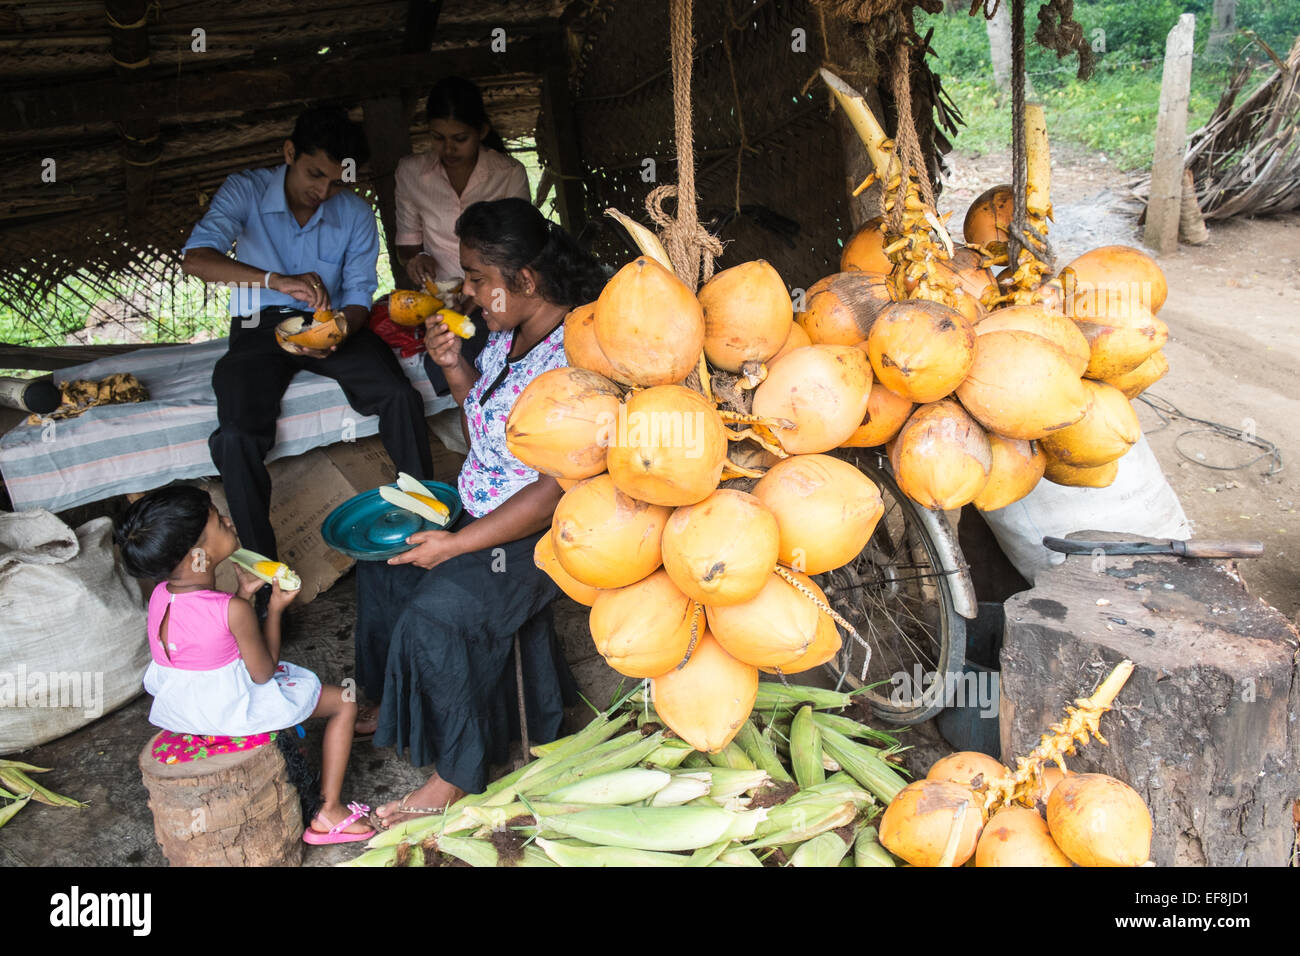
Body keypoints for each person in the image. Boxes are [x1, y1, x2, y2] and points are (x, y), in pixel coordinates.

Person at [354, 198, 605, 825]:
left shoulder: (575, 356)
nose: (464, 292)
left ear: (524, 280)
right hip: (478, 505)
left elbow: (555, 486)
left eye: (476, 279)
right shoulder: (505, 335)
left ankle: (456, 774)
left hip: (535, 531)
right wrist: (455, 368)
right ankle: (394, 703)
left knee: (438, 614)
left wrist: (458, 547)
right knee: (383, 569)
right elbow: (489, 432)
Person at [181, 105, 434, 597]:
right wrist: (274, 281)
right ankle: (263, 573)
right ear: (289, 153)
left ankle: (425, 529)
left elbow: (360, 294)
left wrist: (340, 330)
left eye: (336, 183)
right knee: (235, 435)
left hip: (329, 323)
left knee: (398, 397)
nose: (323, 192)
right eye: (314, 174)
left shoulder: (356, 214)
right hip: (257, 327)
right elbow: (197, 258)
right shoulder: (245, 190)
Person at [114, 485, 373, 845]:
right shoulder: (230, 611)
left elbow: (209, 646)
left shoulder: (160, 595)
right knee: (345, 702)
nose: (229, 521)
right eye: (218, 522)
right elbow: (264, 671)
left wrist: (244, 595)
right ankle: (328, 809)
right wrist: (276, 609)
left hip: (183, 709)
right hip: (230, 711)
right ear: (197, 555)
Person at [394, 76, 531, 288]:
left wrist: (475, 295)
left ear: (482, 132)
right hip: (440, 295)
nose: (448, 149)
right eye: (438, 138)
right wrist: (418, 258)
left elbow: (519, 246)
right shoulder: (410, 173)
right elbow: (407, 243)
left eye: (460, 139)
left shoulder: (509, 174)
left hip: (497, 294)